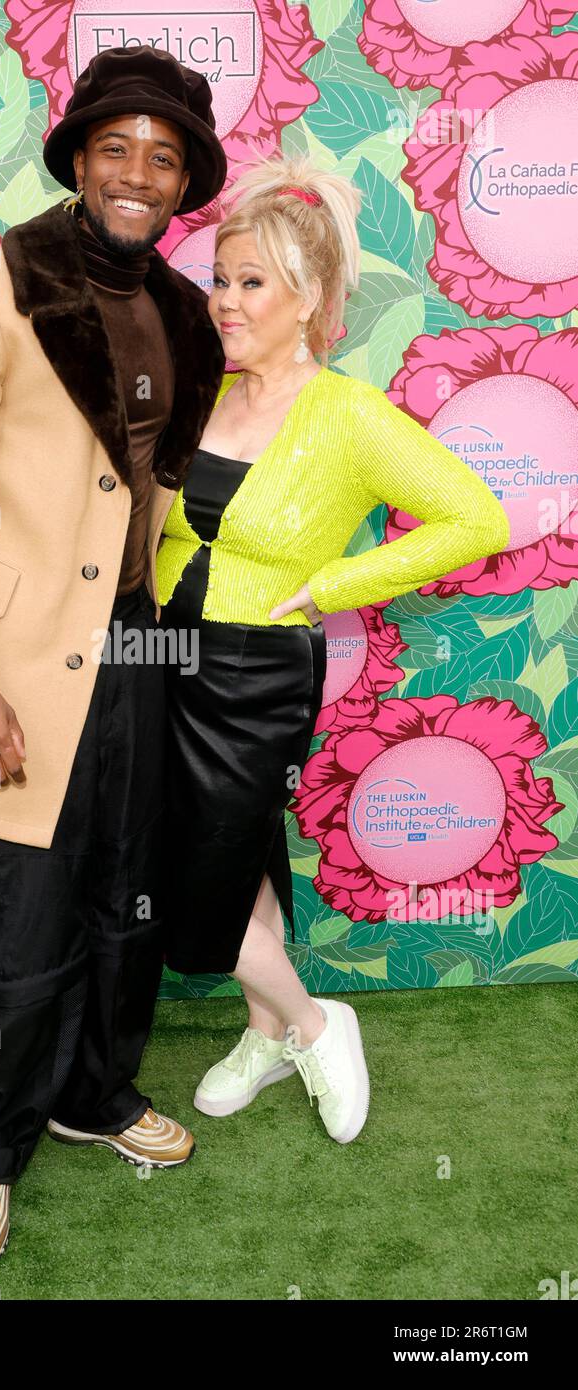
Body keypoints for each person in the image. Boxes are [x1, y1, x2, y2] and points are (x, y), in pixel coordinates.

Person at [0, 44, 227, 1268]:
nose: (139, 173)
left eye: (164, 157)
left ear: (185, 184)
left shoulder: (185, 313)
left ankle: (94, 1093)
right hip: (9, 659)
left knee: (122, 894)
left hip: (132, 649)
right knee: (11, 928)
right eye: (118, 148)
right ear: (78, 159)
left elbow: (160, 490)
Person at [154, 153, 512, 1143]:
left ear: (307, 296)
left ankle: (315, 1021)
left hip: (253, 671)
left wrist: (336, 584)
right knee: (241, 854)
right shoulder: (207, 394)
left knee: (197, 876)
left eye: (250, 282)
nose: (224, 301)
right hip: (162, 656)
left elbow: (474, 516)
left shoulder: (346, 412)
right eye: (219, 279)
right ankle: (266, 1031)